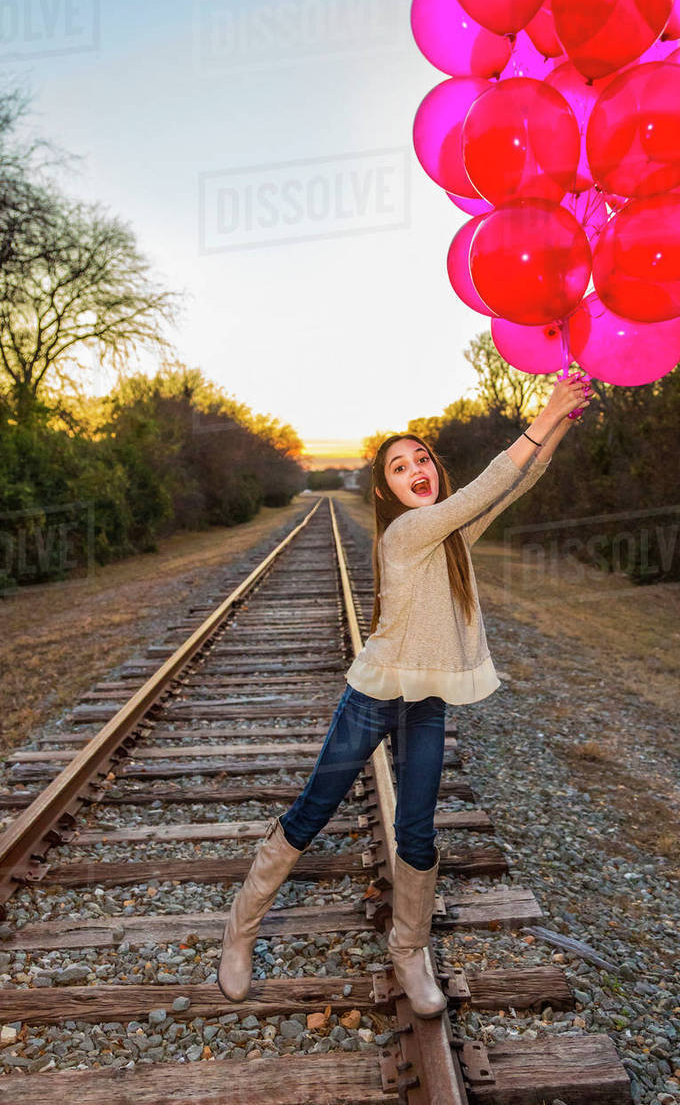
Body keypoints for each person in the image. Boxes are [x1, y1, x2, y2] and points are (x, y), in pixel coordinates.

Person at [217, 371, 595, 1012]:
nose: (416, 468)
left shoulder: (449, 536)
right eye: (399, 466)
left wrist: (560, 419)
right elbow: (490, 482)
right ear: (386, 489)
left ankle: (408, 951)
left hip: (427, 698)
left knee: (417, 831)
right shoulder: (405, 534)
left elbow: (514, 485)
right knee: (314, 812)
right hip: (374, 697)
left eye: (422, 459)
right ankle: (240, 929)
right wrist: (542, 414)